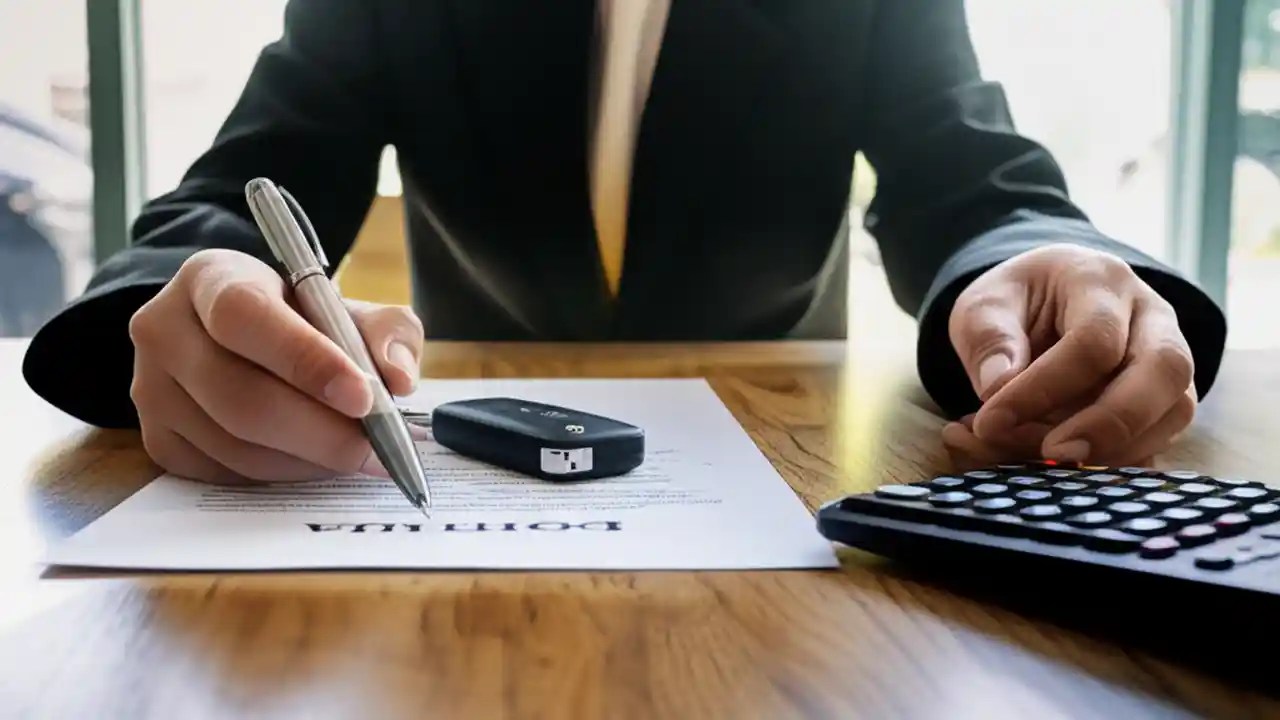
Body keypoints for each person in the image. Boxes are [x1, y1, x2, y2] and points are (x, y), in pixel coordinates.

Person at [22, 0, 1225, 484]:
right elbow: (247, 187)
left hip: (773, 461)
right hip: (475, 448)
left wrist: (1043, 266)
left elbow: (969, 179)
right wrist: (193, 291)